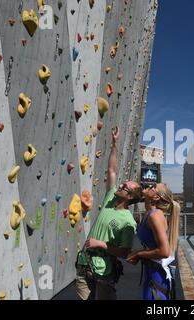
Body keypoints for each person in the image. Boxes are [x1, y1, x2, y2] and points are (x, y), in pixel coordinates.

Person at [75, 126, 142, 300]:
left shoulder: (128, 222)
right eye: (122, 184)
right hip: (85, 263)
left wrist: (101, 244)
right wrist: (114, 144)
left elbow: (125, 253)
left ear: (129, 197)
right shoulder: (111, 197)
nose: (120, 186)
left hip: (105, 269)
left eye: (124, 187)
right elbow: (111, 170)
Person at [126, 183, 180, 300]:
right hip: (151, 272)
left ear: (156, 197)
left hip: (157, 275)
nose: (149, 186)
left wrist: (138, 253)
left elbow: (164, 251)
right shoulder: (149, 214)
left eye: (153, 186)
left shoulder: (155, 216)